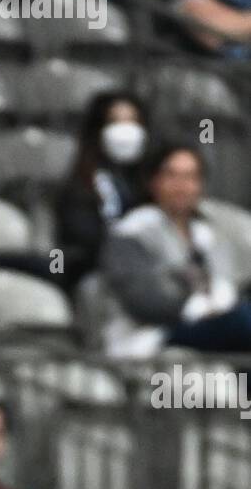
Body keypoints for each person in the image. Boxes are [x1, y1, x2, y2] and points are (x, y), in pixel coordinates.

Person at [98, 144, 251, 358]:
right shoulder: (132, 231)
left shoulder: (211, 228)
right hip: (154, 336)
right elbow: (143, 299)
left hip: (217, 328)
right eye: (172, 175)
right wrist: (197, 306)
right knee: (244, 321)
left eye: (190, 177)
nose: (182, 186)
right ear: (153, 181)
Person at [56, 92, 152, 288]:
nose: (125, 130)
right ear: (98, 130)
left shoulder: (154, 180)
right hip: (98, 274)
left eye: (132, 122)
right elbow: (82, 242)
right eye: (115, 122)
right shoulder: (79, 187)